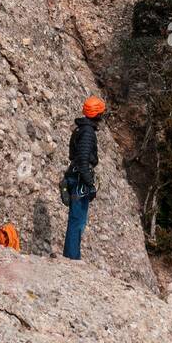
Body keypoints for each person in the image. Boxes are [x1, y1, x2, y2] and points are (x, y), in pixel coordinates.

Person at [62, 96, 106, 260]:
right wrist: (90, 184)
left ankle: (71, 255)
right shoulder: (88, 133)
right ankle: (72, 258)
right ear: (97, 115)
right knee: (78, 221)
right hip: (80, 179)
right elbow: (82, 160)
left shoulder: (81, 128)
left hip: (75, 176)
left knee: (75, 220)